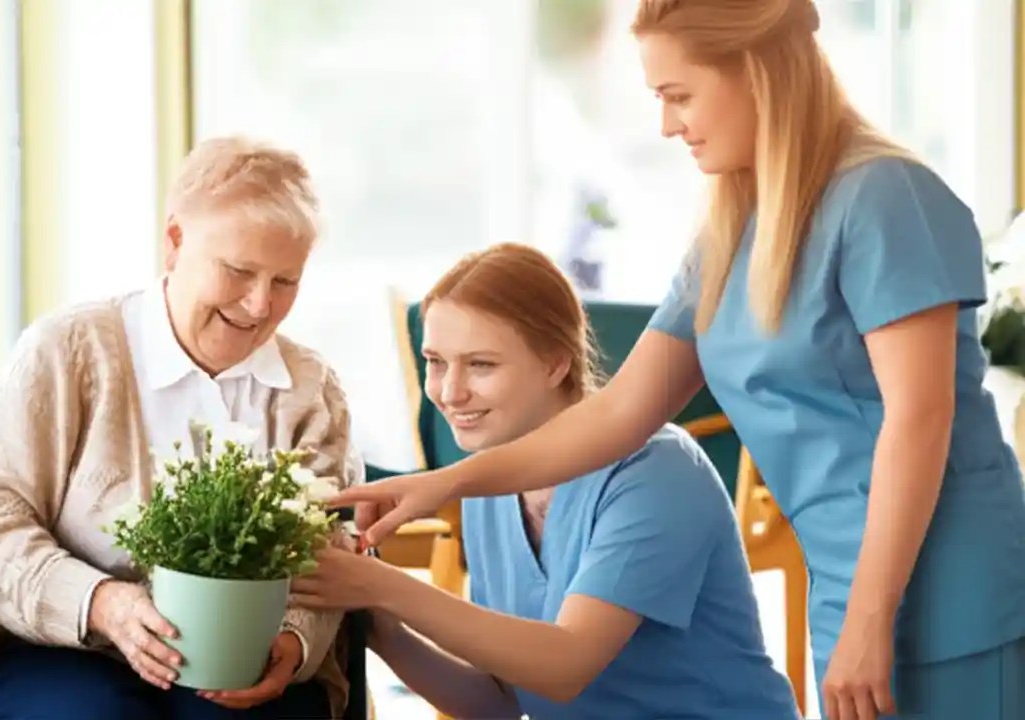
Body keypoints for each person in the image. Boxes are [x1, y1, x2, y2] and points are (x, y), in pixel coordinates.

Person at [332, 3, 1025, 720]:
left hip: (947, 590)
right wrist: (443, 483)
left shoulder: (885, 197)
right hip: (846, 590)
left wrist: (871, 619)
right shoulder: (732, 231)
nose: (667, 125)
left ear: (756, 71)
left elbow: (919, 416)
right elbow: (619, 413)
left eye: (678, 95)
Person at [0, 136, 364, 719]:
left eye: (285, 281)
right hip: (72, 647)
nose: (260, 305)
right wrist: (102, 603)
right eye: (239, 271)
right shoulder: (68, 351)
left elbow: (330, 546)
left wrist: (292, 641)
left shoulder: (311, 388)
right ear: (175, 242)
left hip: (248, 656)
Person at [291, 243, 799, 719]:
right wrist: (377, 621)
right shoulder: (488, 484)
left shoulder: (655, 472)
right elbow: (500, 702)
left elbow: (564, 668)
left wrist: (387, 586)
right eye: (436, 362)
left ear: (557, 362)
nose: (449, 392)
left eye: (481, 365)